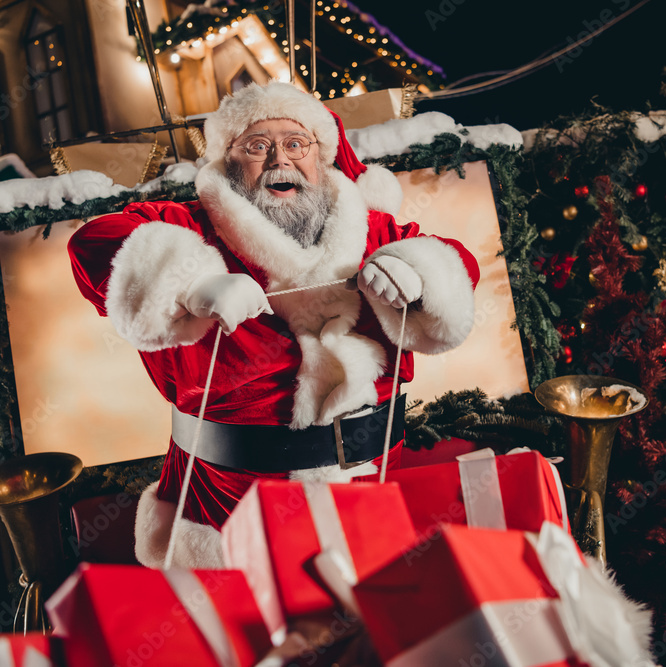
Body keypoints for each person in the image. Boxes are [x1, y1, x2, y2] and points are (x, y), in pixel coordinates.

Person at [68, 81, 479, 569]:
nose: (278, 160)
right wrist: (192, 282)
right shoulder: (190, 226)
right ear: (228, 161)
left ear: (319, 158)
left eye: (295, 144)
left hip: (370, 480)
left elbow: (460, 264)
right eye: (256, 146)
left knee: (374, 626)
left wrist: (415, 270)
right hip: (229, 502)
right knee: (243, 635)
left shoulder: (374, 231)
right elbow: (91, 244)